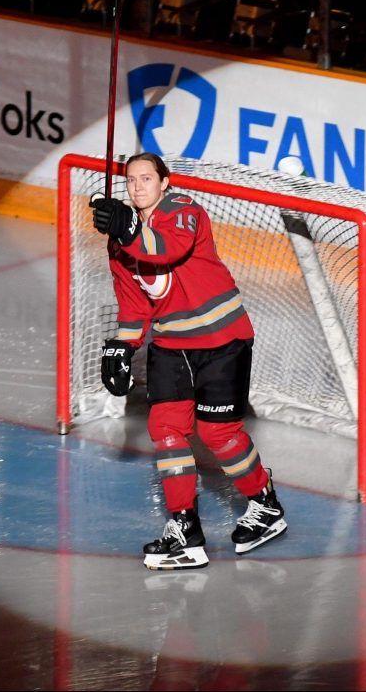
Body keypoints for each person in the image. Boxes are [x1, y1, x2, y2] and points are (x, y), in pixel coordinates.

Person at [90, 152, 287, 570]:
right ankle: (184, 528)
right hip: (171, 344)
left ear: (165, 183)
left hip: (221, 337)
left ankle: (265, 504)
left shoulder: (184, 211)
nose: (138, 186)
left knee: (217, 434)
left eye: (147, 178)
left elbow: (166, 251)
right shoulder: (119, 242)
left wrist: (128, 229)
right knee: (165, 430)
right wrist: (123, 345)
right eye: (131, 180)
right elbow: (134, 303)